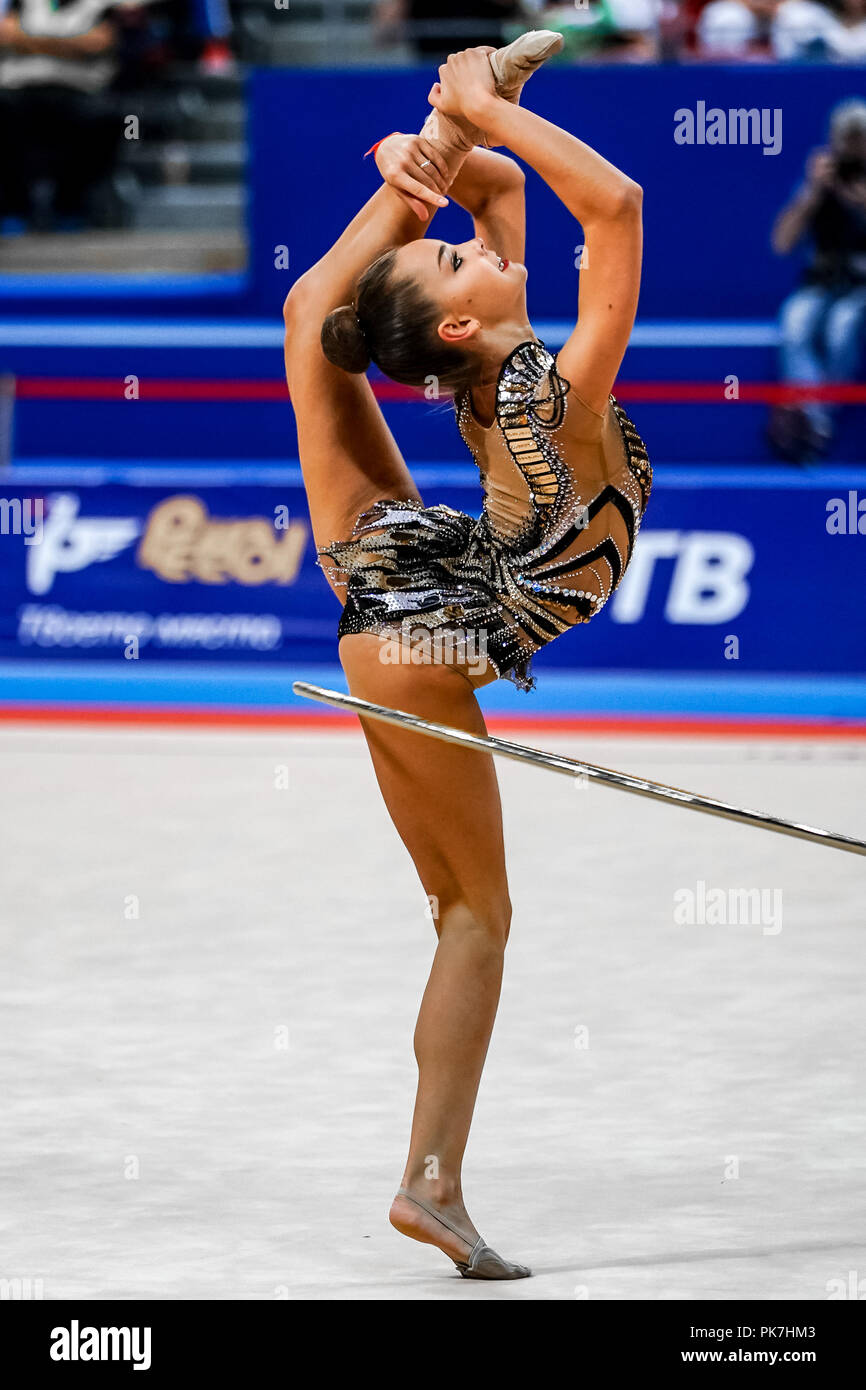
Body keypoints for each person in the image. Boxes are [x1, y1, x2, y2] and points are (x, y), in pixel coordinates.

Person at [282, 34, 651, 1279]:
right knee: (474, 916)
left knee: (306, 326)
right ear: (455, 314)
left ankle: (431, 1182)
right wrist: (474, 112)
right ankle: (428, 1184)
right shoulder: (556, 393)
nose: (480, 249)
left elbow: (498, 199)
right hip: (432, 625)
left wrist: (454, 140)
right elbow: (614, 203)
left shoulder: (500, 369)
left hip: (417, 590)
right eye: (451, 257)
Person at [770, 99, 866, 460]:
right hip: (820, 282)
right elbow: (781, 243)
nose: (855, 148)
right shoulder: (819, 182)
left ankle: (813, 418)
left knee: (842, 329)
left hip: (861, 288)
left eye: (861, 139)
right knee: (795, 325)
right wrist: (812, 193)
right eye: (849, 139)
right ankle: (814, 417)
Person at [0, 0, 130, 228]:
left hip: (80, 92)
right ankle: (14, 207)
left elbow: (99, 42)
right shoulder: (24, 3)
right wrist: (69, 45)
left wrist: (28, 41)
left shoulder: (101, 6)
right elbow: (5, 34)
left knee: (124, 122)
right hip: (19, 90)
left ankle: (70, 205)